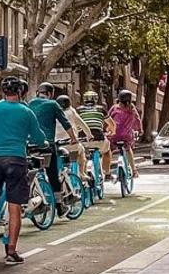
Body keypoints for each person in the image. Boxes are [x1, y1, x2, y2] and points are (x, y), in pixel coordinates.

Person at [0, 77, 47, 265]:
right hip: (16, 160)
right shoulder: (26, 112)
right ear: (21, 92)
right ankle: (11, 252)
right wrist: (44, 143)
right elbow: (39, 137)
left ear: (3, 92)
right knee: (15, 207)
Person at [28, 82, 78, 216]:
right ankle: (59, 206)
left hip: (30, 145)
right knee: (52, 174)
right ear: (50, 94)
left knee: (31, 171)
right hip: (47, 144)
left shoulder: (31, 103)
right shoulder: (53, 104)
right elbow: (65, 122)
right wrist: (73, 138)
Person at [77, 90, 115, 179]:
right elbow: (111, 124)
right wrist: (112, 132)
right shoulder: (100, 109)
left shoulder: (78, 110)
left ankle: (82, 174)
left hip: (83, 139)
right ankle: (107, 172)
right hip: (99, 139)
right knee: (107, 151)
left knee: (82, 155)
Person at [108, 89, 143, 178]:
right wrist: (140, 130)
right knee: (128, 149)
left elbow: (107, 118)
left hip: (114, 135)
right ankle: (134, 171)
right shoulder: (132, 109)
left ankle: (106, 171)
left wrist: (105, 130)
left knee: (108, 151)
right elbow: (137, 120)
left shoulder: (114, 108)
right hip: (127, 136)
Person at [55, 94, 92, 179]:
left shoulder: (54, 112)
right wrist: (89, 135)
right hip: (71, 143)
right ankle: (82, 173)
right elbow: (82, 124)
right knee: (81, 151)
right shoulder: (72, 111)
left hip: (58, 144)